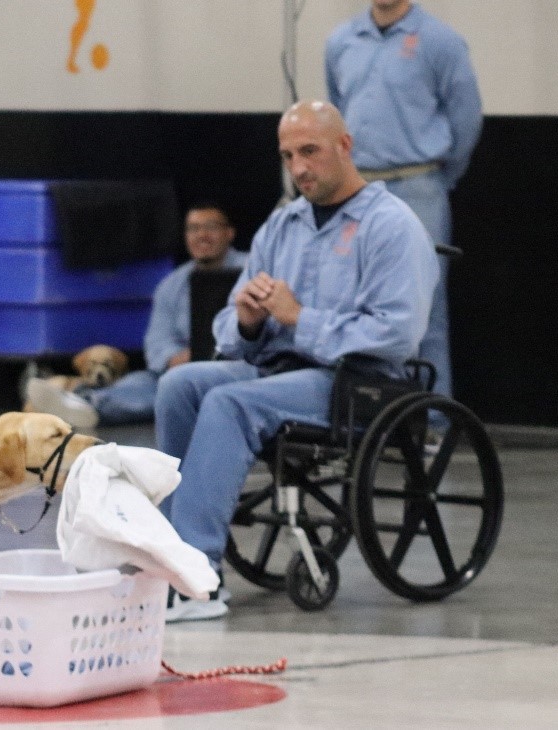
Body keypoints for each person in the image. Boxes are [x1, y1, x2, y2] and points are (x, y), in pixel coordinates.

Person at [155, 100, 438, 622]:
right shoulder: (282, 226)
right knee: (181, 385)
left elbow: (396, 335)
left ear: (344, 147)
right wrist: (247, 320)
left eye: (310, 151)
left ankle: (198, 579)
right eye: (289, 156)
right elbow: (231, 332)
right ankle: (165, 561)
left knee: (229, 402)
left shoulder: (392, 226)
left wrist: (300, 318)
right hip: (279, 370)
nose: (300, 167)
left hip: (357, 384)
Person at [325, 0, 482, 406]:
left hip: (417, 185)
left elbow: (467, 119)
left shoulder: (441, 41)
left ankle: (430, 418)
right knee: (350, 300)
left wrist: (438, 176)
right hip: (358, 189)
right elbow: (336, 118)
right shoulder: (341, 40)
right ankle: (362, 412)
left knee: (424, 306)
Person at [24, 202, 250, 429]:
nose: (202, 235)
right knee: (143, 383)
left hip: (237, 370)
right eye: (193, 228)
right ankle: (83, 402)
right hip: (183, 371)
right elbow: (157, 341)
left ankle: (82, 405)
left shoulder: (252, 271)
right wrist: (175, 358)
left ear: (229, 233)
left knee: (172, 390)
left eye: (210, 227)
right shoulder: (171, 285)